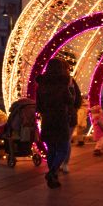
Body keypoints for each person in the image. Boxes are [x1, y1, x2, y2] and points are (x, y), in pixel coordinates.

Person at [36, 60, 74, 188]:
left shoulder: (41, 85)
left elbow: (39, 106)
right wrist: (71, 89)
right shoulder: (63, 84)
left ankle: (53, 178)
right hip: (60, 119)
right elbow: (70, 101)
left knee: (51, 149)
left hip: (47, 120)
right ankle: (52, 172)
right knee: (63, 148)